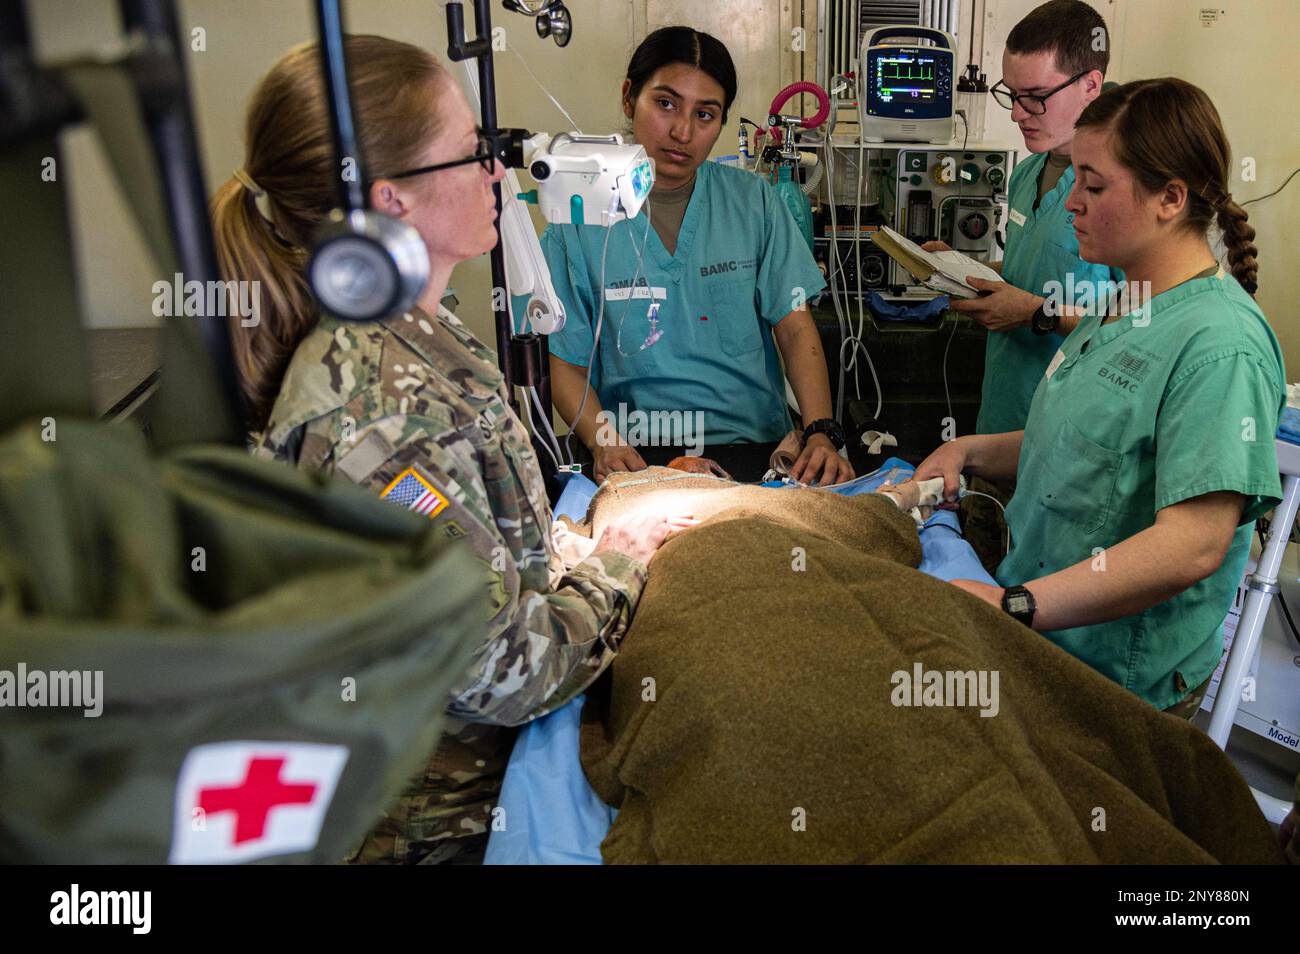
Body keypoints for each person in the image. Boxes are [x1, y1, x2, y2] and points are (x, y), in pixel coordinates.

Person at [211, 35, 693, 864]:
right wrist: (618, 564)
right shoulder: (371, 418)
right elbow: (501, 669)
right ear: (392, 199)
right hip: (438, 829)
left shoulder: (422, 332)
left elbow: (486, 548)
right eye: (474, 154)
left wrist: (569, 553)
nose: (499, 173)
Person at [915, 78, 1286, 717]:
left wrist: (1019, 605)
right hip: (1046, 633)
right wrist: (969, 450)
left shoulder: (1221, 346)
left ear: (1169, 197)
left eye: (1094, 185)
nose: (1072, 206)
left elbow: (1192, 544)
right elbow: (1085, 447)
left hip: (1114, 678)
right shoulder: (1127, 303)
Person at [543, 26, 853, 486]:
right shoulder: (579, 219)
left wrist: (821, 433)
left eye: (705, 114)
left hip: (754, 450)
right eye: (665, 104)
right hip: (637, 454)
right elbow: (565, 359)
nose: (682, 131)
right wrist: (604, 441)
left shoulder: (755, 205)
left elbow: (793, 326)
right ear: (630, 98)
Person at [923, 0, 1119, 571]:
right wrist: (967, 273)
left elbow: (1146, 327)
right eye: (1011, 95)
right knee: (983, 584)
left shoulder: (1125, 191)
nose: (1019, 114)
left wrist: (1037, 313)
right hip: (1002, 426)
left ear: (1091, 84)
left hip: (1069, 451)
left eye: (1036, 97)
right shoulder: (1030, 170)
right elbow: (1032, 280)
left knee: (1040, 610)